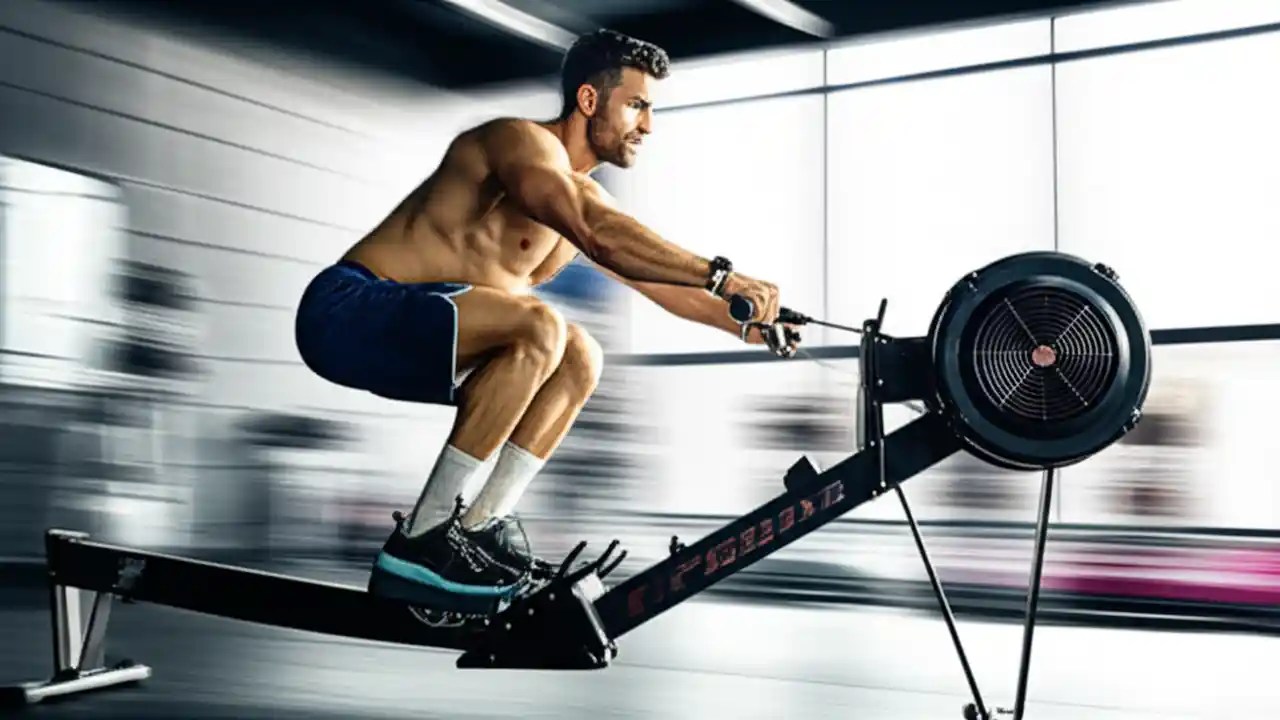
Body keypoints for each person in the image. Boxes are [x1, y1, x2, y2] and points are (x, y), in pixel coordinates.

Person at [294, 29, 796, 612]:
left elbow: (665, 286)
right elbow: (597, 230)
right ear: (589, 101)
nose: (649, 125)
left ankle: (480, 527)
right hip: (347, 312)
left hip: (420, 334)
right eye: (636, 104)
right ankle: (421, 541)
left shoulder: (583, 204)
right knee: (542, 327)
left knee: (582, 356)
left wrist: (752, 324)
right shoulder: (520, 143)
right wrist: (724, 274)